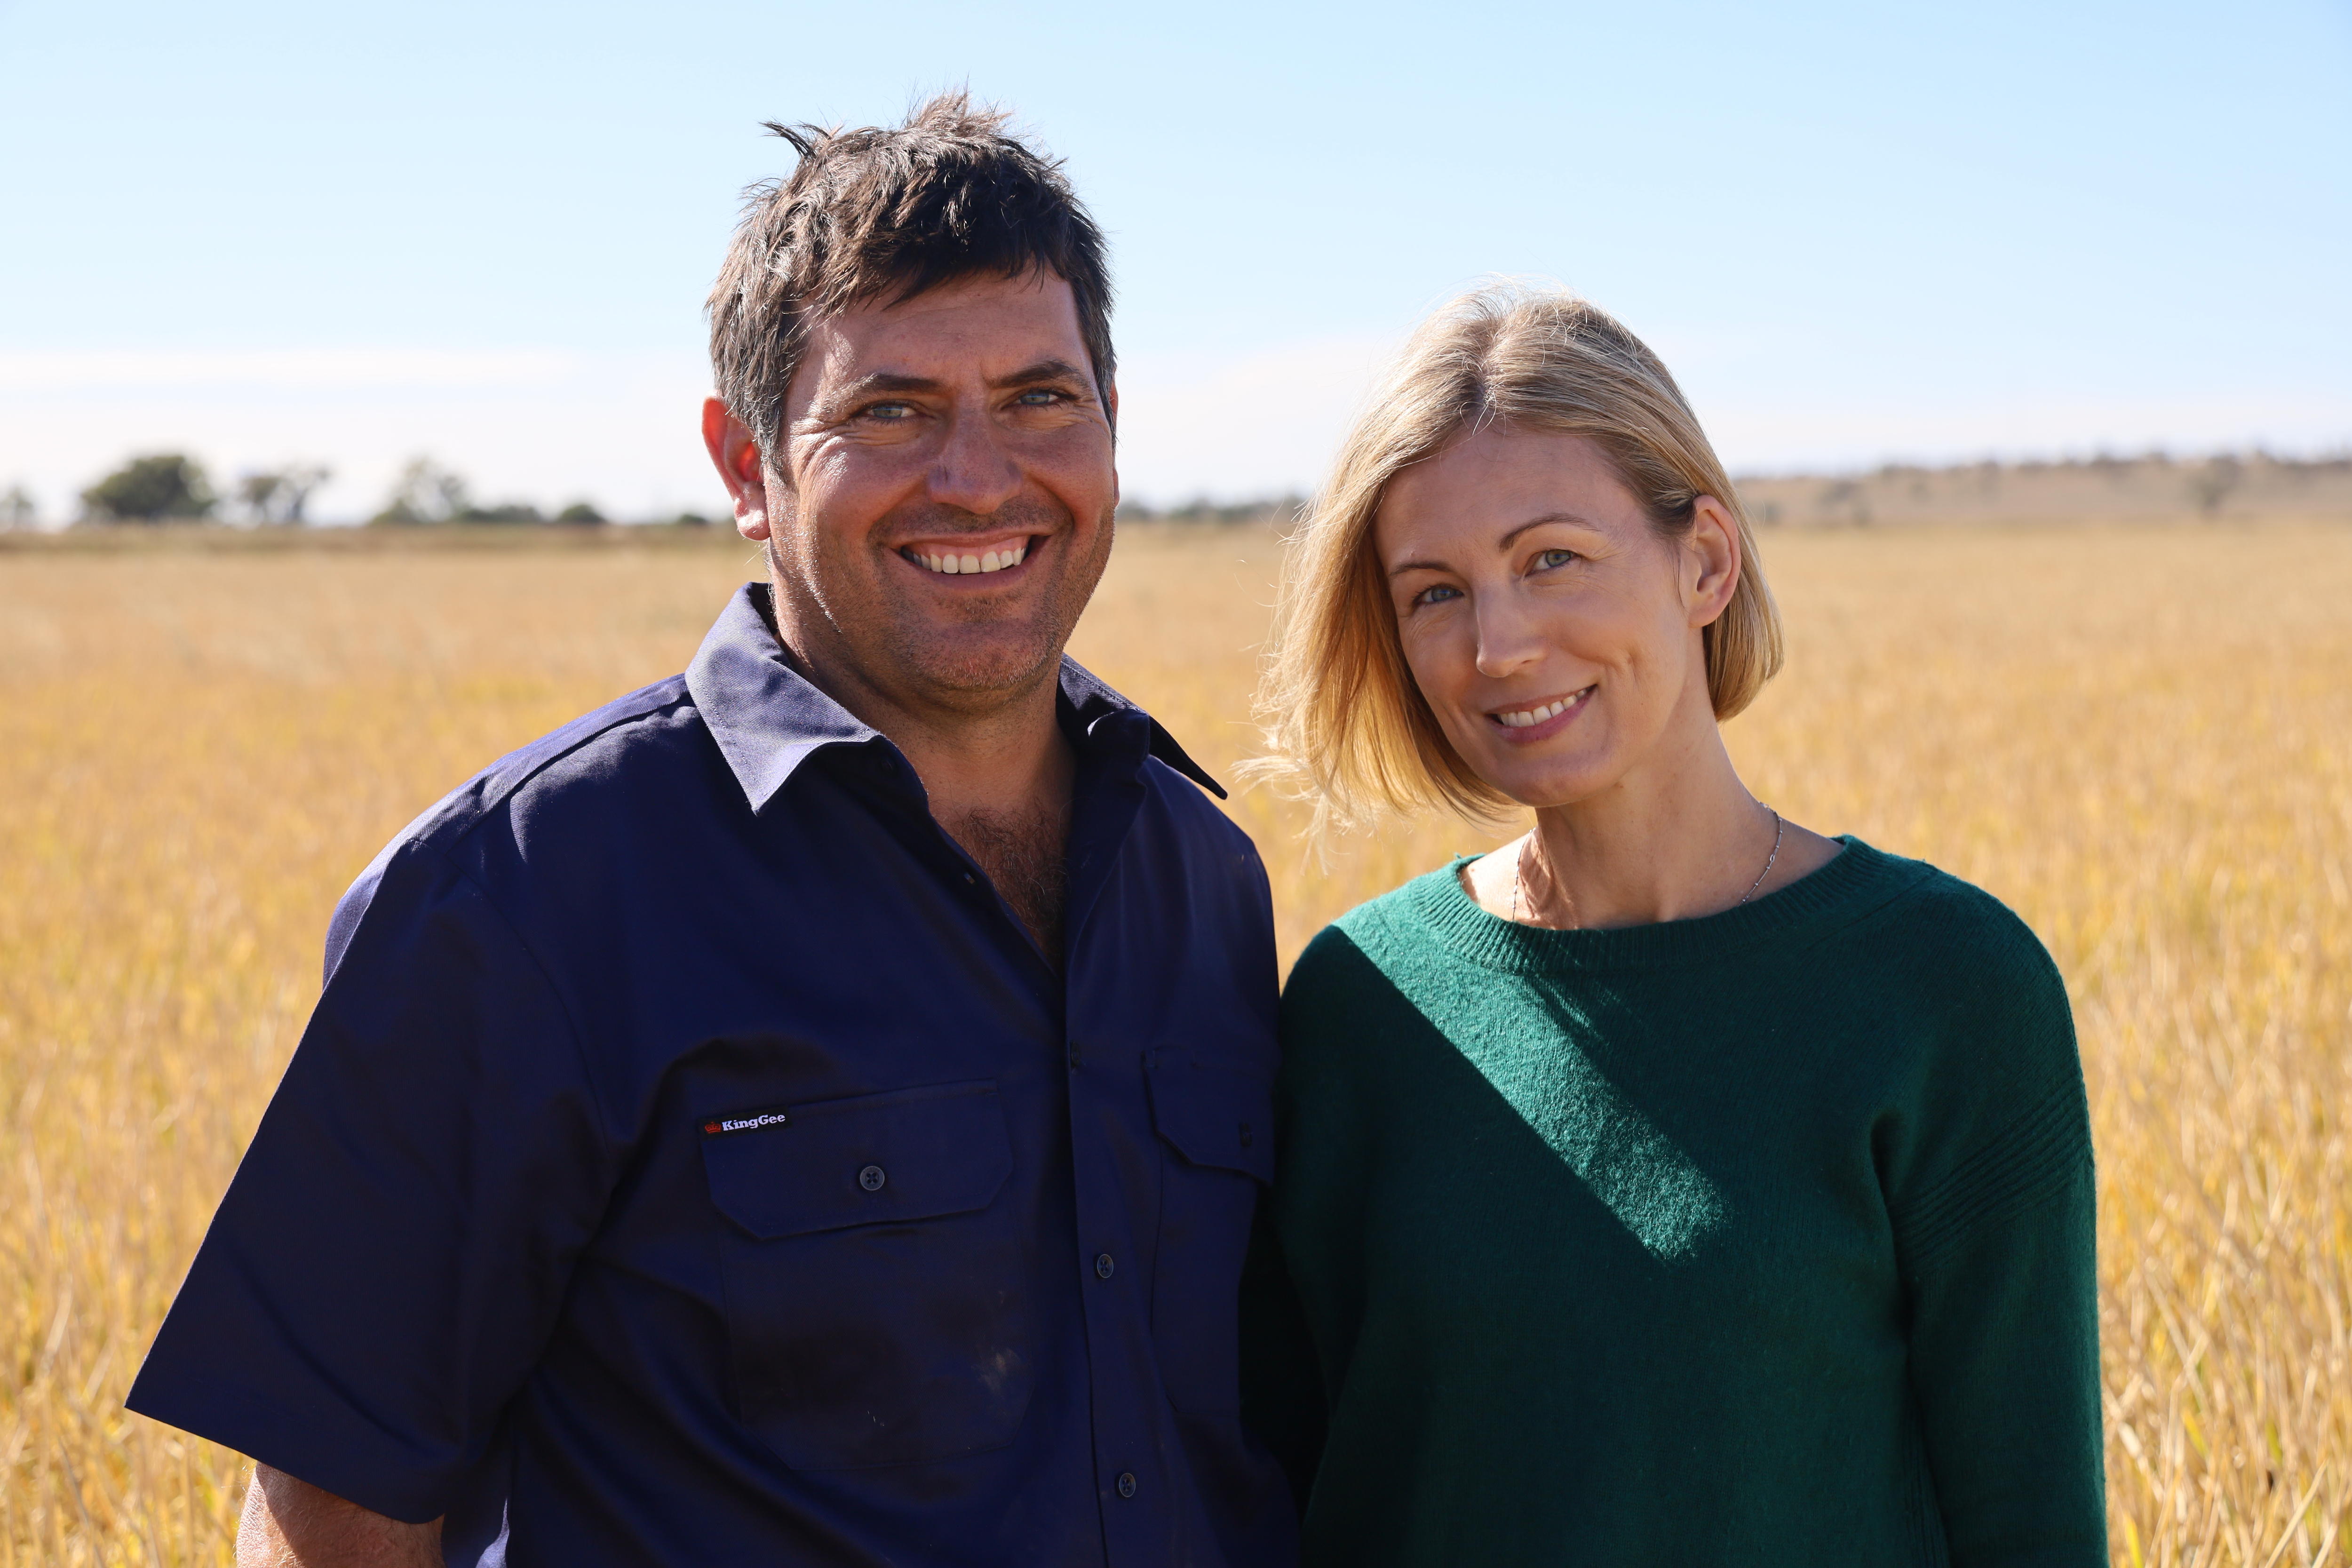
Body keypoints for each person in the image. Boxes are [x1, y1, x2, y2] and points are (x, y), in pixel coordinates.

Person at [127, 96, 1294, 1568]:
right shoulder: (523, 895)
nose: (982, 477)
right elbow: (337, 1510)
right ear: (746, 467)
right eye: (891, 411)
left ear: (1112, 426)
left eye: (1042, 398)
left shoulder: (1199, 874)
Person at [1239, 283, 2105, 1564]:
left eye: (1552, 560)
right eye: (1435, 593)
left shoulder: (1947, 991)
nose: (1499, 645)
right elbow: (1284, 1487)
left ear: (1705, 560)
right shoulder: (1363, 1005)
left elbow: (2029, 1523)